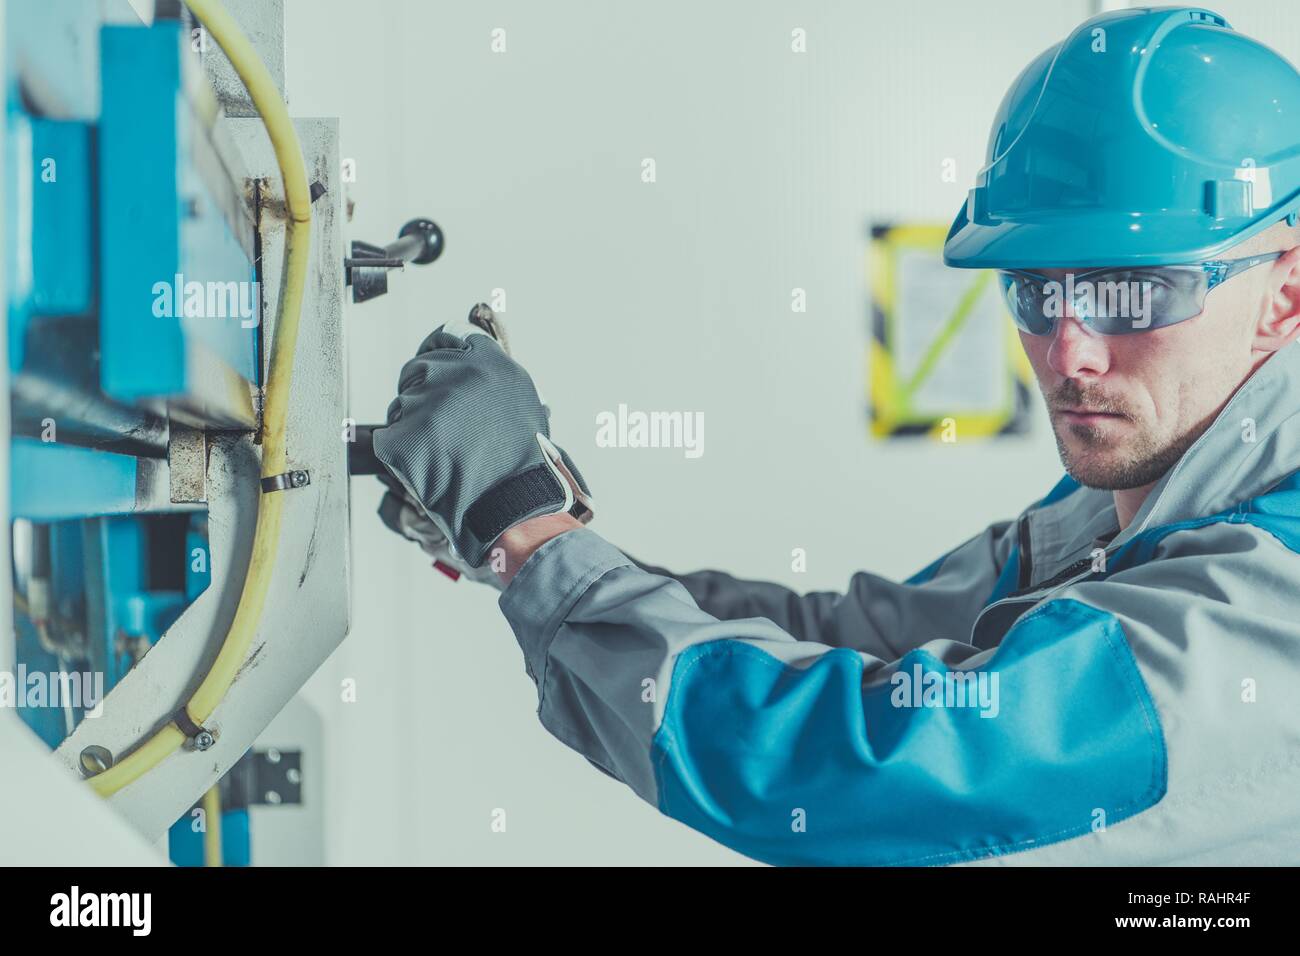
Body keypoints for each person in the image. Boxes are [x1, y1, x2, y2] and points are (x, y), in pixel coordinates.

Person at [372, 6, 1300, 865]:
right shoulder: (1125, 497)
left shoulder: (1265, 608)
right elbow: (861, 640)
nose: (1069, 353)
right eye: (1034, 289)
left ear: (1284, 291)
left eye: (1130, 291)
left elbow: (877, 770)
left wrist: (527, 528)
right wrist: (529, 543)